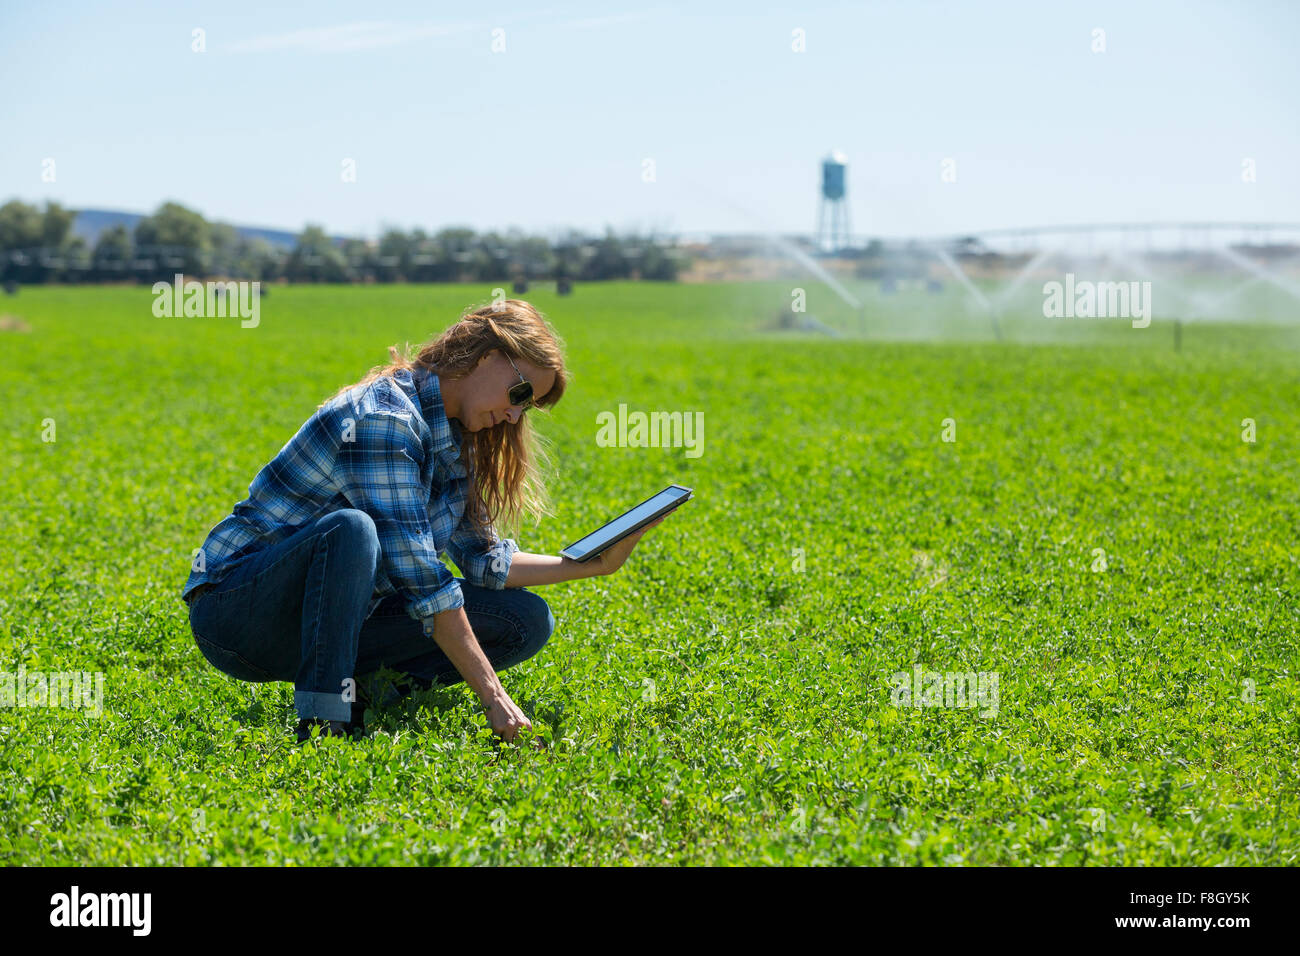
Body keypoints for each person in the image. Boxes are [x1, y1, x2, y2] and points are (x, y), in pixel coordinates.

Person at [181, 299, 664, 744]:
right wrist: (494, 698)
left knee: (523, 620)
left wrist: (590, 564)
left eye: (527, 406)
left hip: (334, 620)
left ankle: (367, 694)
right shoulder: (383, 420)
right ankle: (325, 722)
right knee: (351, 530)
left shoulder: (458, 439)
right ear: (484, 355)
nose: (516, 416)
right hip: (238, 613)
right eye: (519, 392)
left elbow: (483, 561)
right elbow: (425, 584)